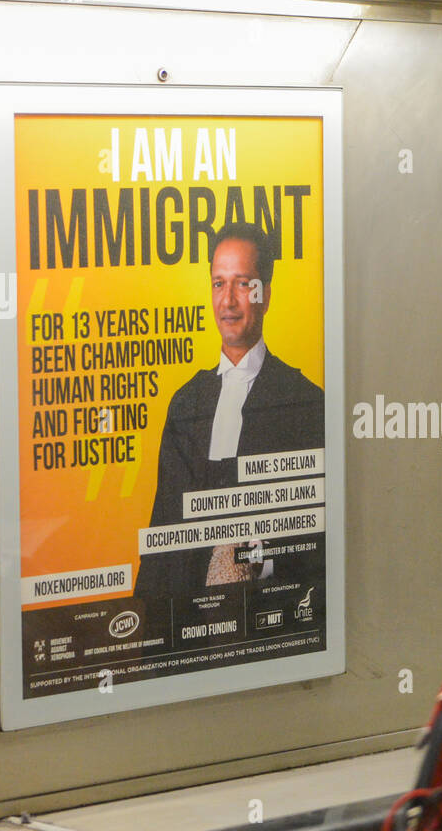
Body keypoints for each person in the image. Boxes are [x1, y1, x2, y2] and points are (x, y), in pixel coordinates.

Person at [134, 221, 324, 599]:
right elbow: (162, 532)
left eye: (242, 283)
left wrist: (257, 559)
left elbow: (318, 541)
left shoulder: (305, 402)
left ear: (265, 295)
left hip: (270, 622)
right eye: (219, 283)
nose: (228, 300)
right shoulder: (186, 402)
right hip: (186, 628)